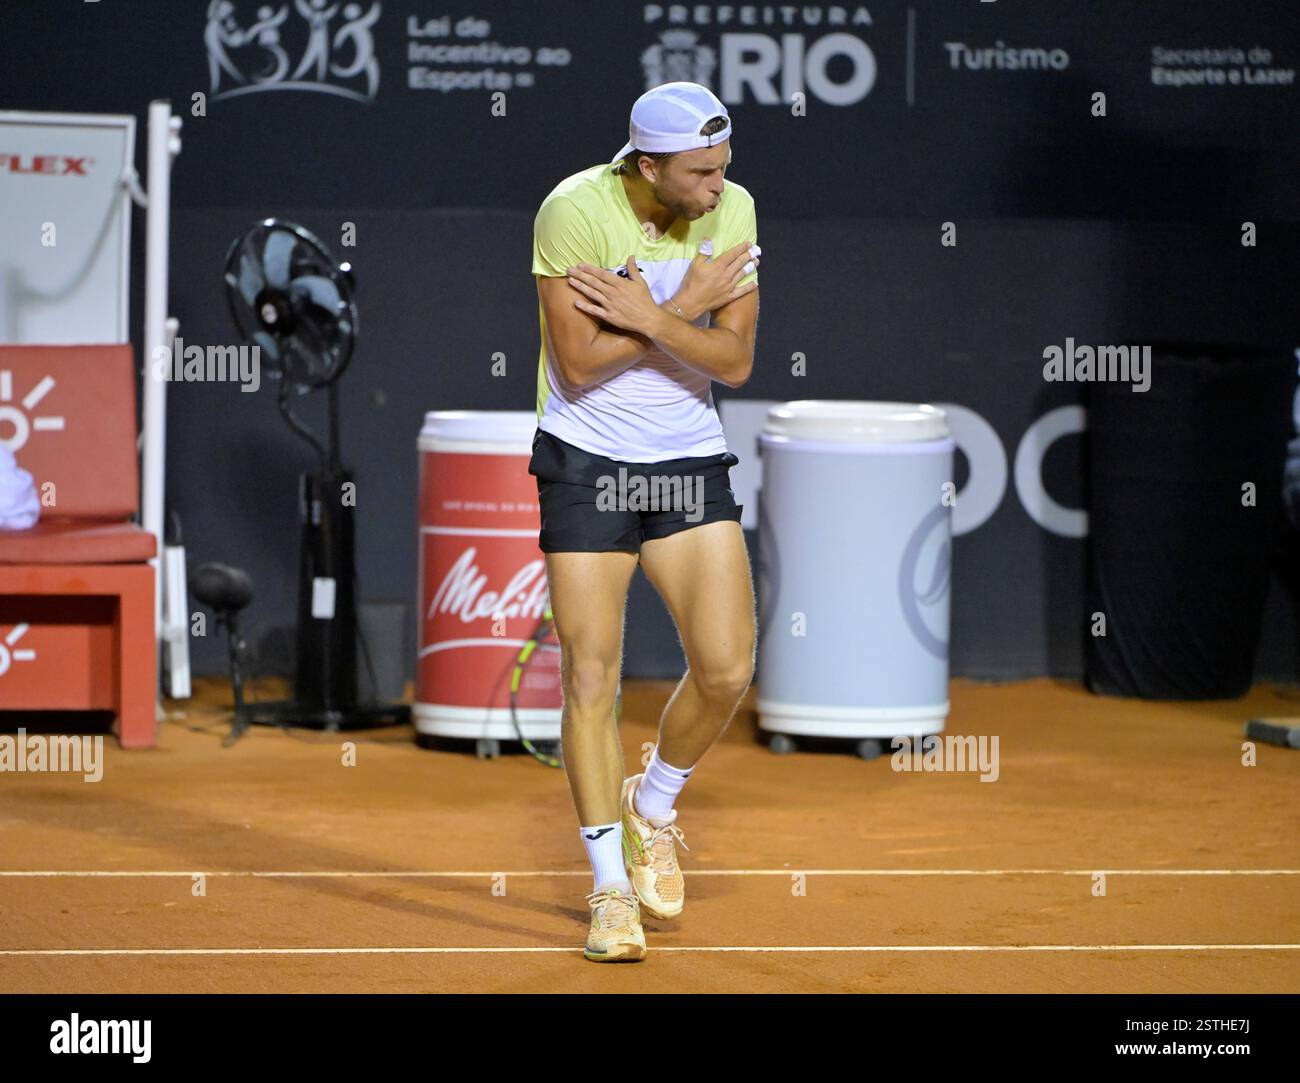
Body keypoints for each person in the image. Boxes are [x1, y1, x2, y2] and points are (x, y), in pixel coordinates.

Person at [529, 82, 761, 961]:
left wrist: (652, 313)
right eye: (700, 172)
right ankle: (608, 891)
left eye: (723, 167)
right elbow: (580, 369)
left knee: (728, 665)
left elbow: (734, 360)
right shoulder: (573, 213)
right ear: (648, 165)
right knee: (592, 677)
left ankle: (651, 804)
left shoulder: (731, 207)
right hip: (587, 460)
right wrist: (680, 313)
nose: (717, 188)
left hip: (687, 461)